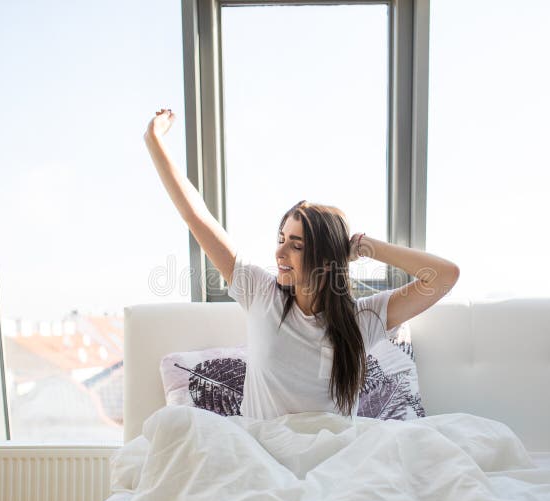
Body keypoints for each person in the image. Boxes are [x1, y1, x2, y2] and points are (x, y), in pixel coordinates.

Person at [144, 107, 460, 421]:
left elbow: (445, 276)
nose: (280, 253)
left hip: (331, 454)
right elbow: (196, 216)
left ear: (326, 256)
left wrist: (367, 246)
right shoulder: (259, 292)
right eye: (281, 239)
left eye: (296, 246)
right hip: (263, 453)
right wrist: (155, 141)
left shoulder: (362, 318)